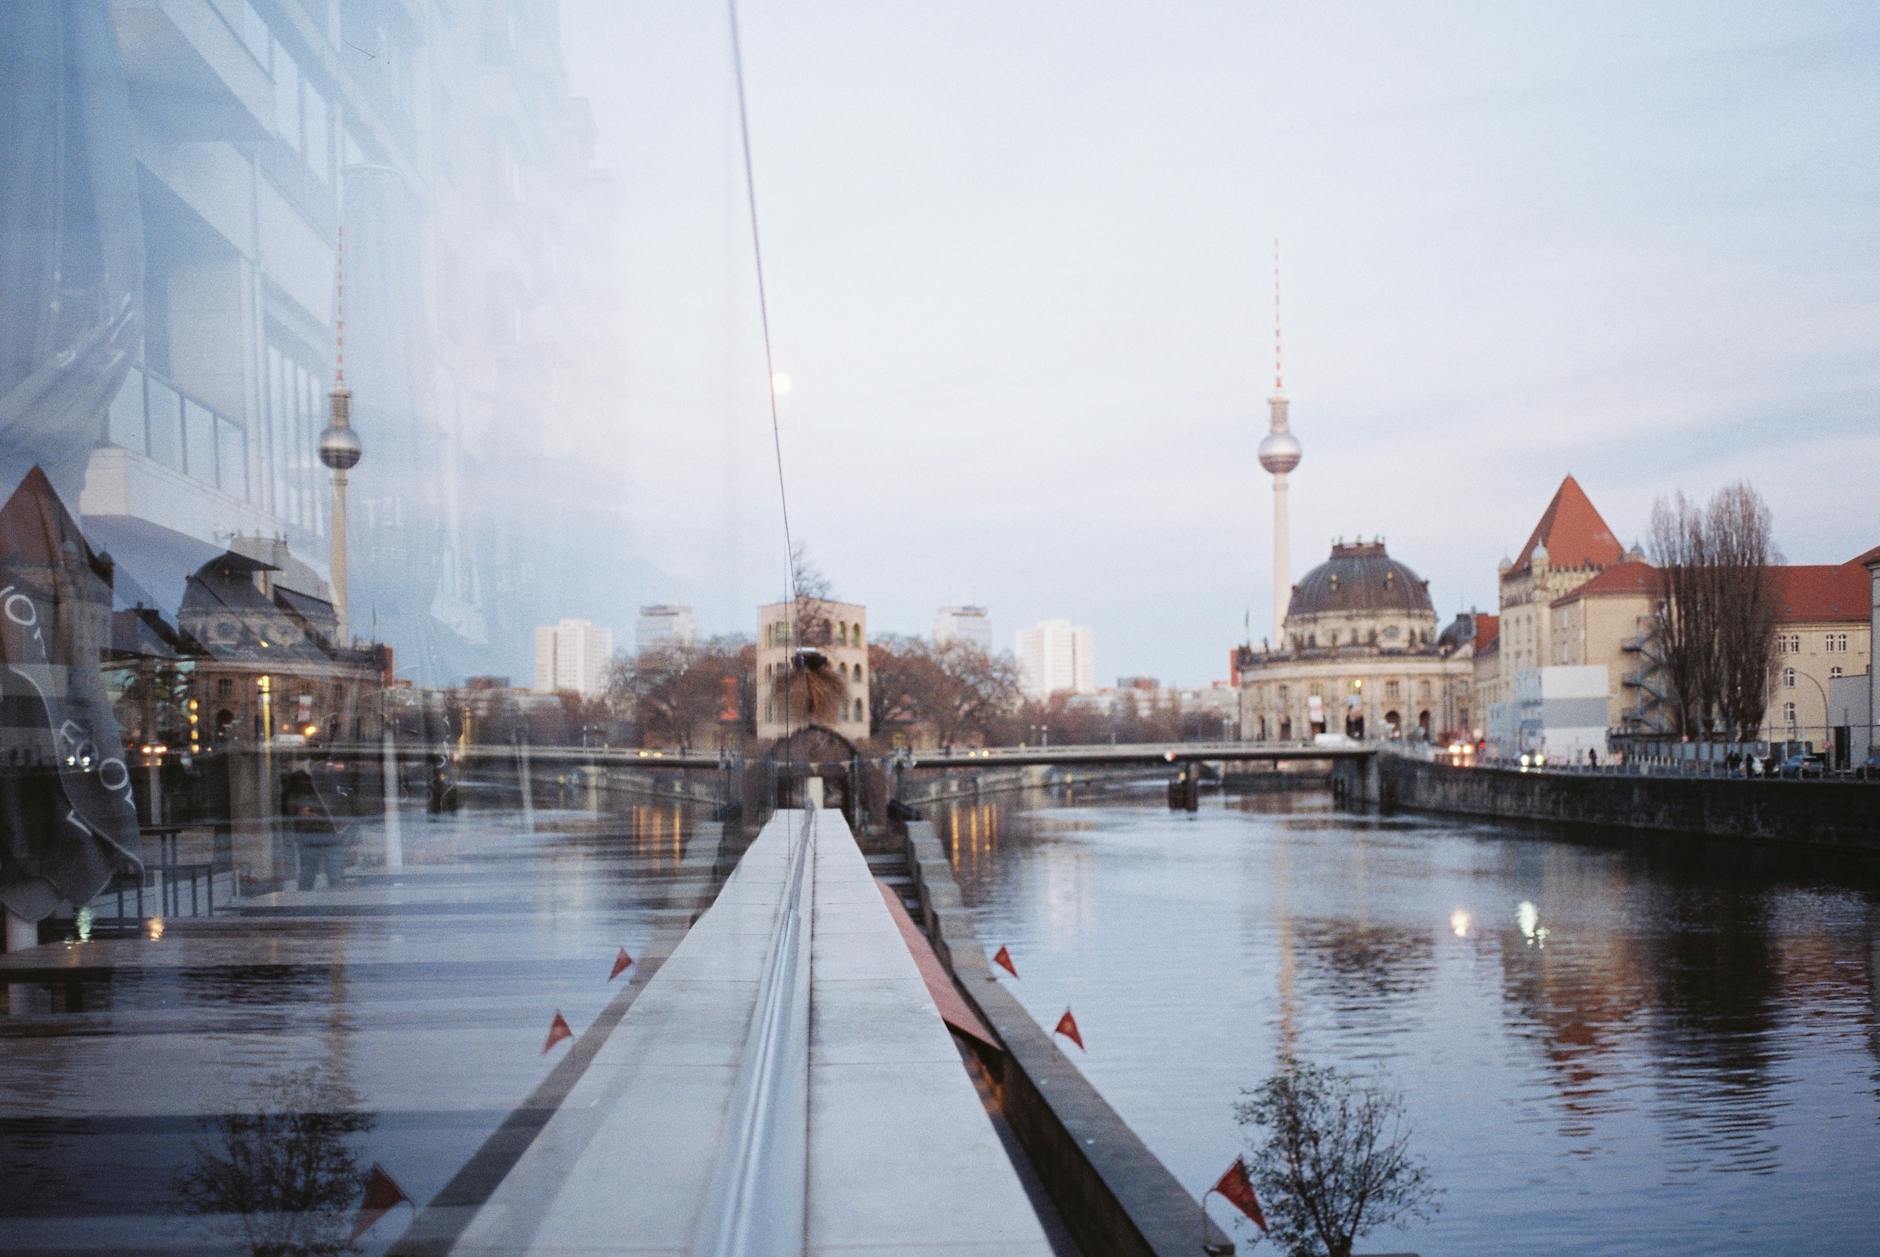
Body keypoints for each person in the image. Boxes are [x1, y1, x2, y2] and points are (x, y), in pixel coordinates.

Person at [283, 769, 346, 891]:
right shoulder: (311, 789)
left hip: (310, 835)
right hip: (324, 834)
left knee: (309, 871)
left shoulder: (296, 792)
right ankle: (335, 896)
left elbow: (299, 814)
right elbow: (304, 814)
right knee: (332, 872)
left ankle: (305, 897)